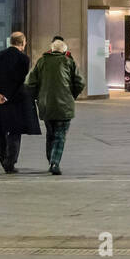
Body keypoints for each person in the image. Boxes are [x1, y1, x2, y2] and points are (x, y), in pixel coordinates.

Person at [0, 31, 41, 174]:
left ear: (10, 41)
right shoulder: (23, 59)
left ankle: (3, 158)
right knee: (14, 131)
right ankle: (10, 161)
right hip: (14, 101)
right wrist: (6, 96)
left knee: (0, 130)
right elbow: (18, 81)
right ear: (22, 43)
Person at [26, 35, 85, 175]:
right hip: (64, 105)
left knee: (50, 133)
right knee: (60, 135)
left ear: (51, 50)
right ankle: (54, 162)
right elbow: (80, 82)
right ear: (64, 51)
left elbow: (30, 83)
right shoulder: (69, 61)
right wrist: (72, 95)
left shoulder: (41, 62)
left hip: (46, 105)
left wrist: (37, 97)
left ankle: (51, 160)